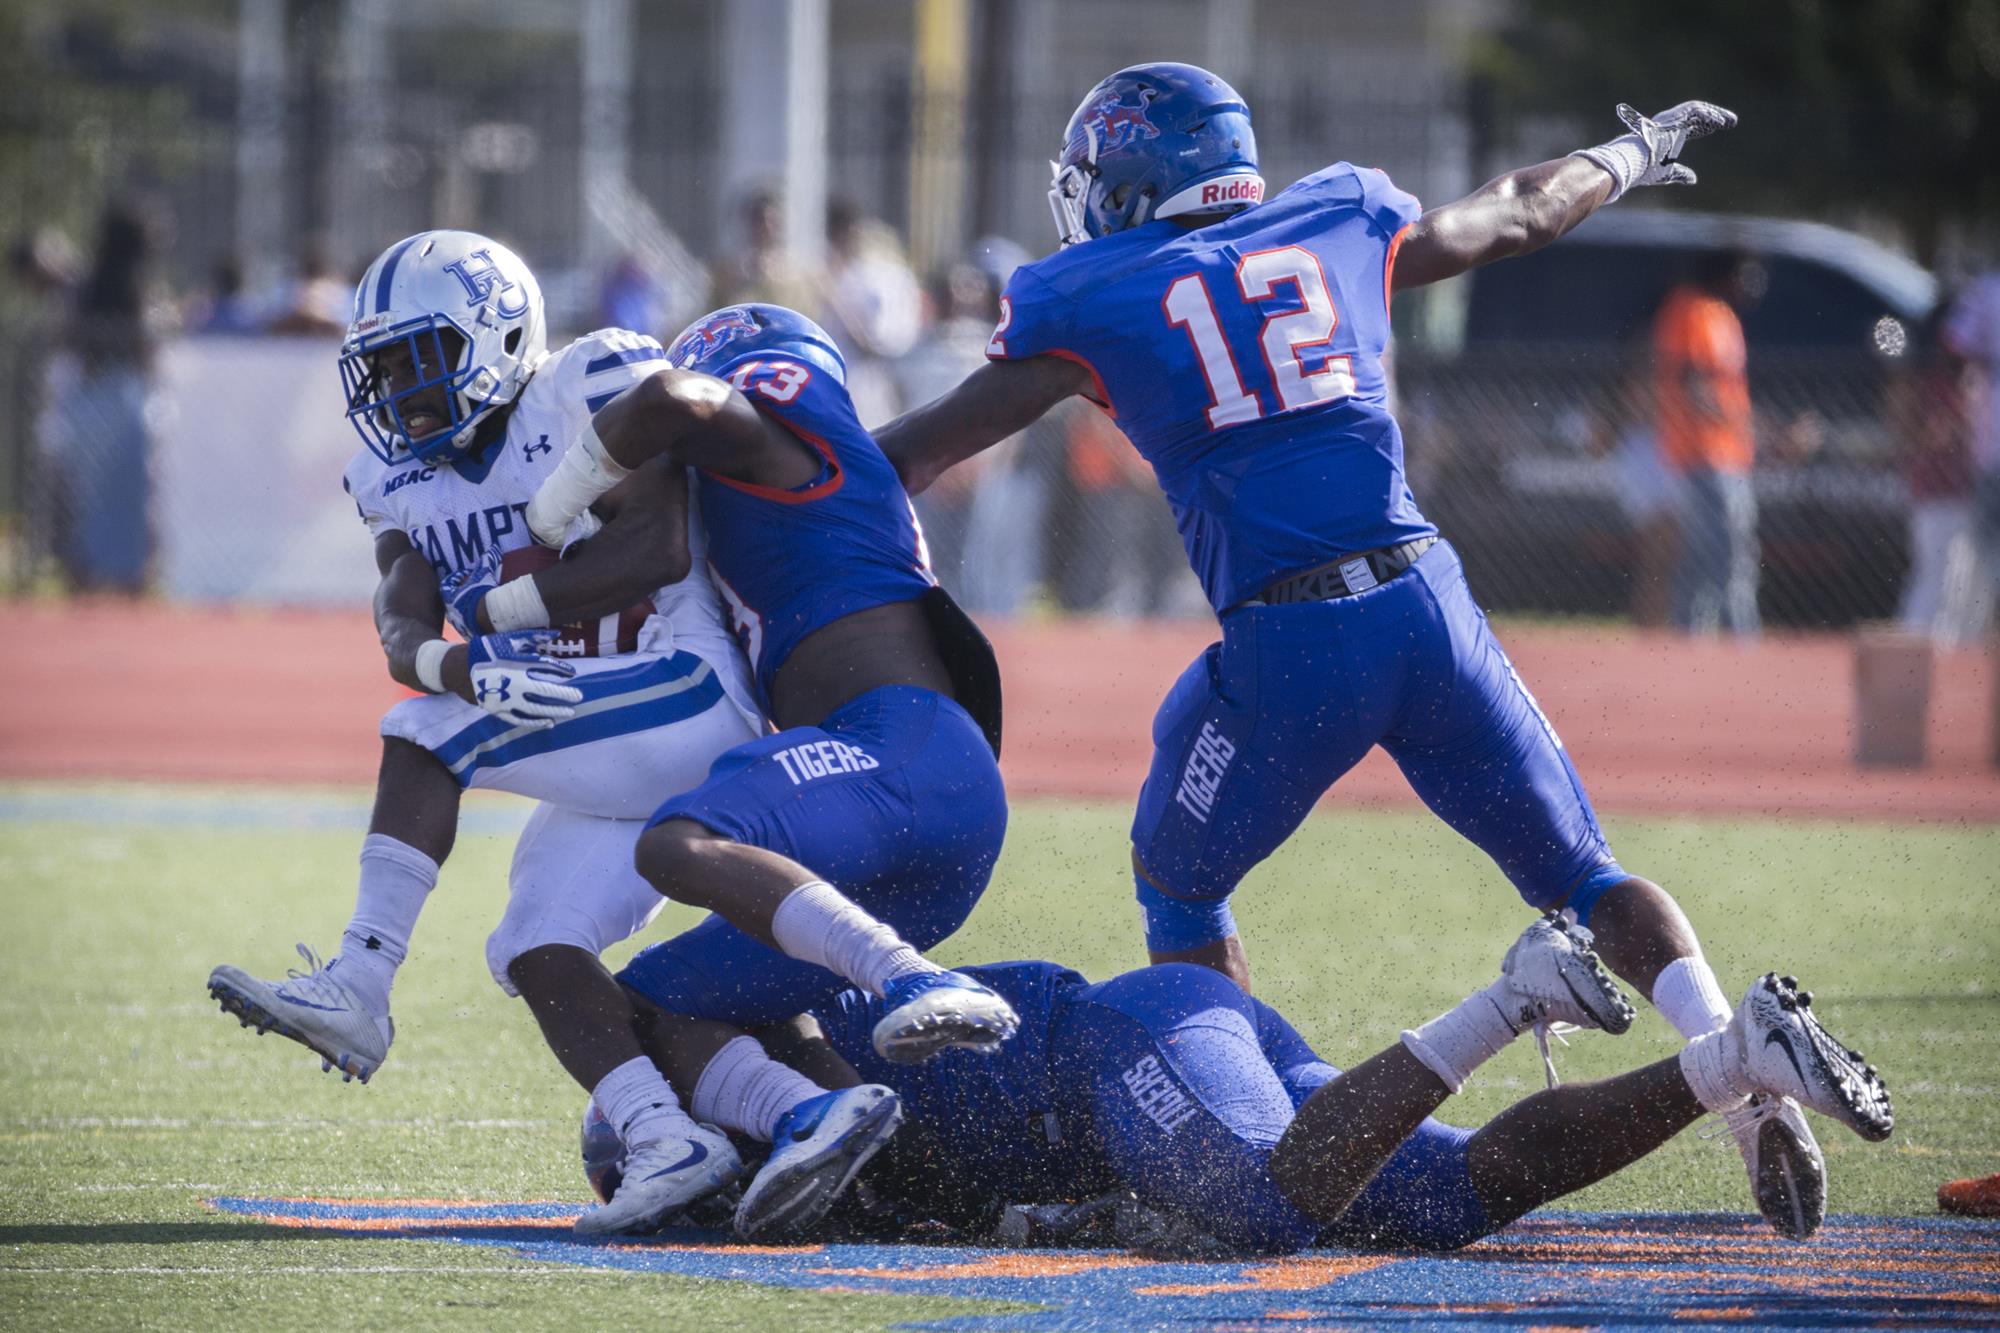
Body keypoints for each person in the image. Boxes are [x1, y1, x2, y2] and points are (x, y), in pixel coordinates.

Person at [873, 64, 1825, 1241]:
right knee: (1584, 872)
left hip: (1291, 636)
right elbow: (1516, 209)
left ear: (1128, 181)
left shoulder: (1089, 295)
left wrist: (739, 495)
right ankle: (1739, 1076)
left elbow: (906, 454)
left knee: (1179, 877)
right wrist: (1621, 158)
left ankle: (1263, 1143)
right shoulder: (1340, 218)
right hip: (1427, 598)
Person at [204, 231, 906, 1239]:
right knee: (532, 942)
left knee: (425, 732)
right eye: (385, 366)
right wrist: (445, 658)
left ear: (496, 334)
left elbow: (656, 546)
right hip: (599, 735)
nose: (400, 390)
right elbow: (403, 609)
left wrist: (486, 625)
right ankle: (678, 1133)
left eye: (421, 356)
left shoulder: (585, 385)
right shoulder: (400, 474)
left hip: (687, 698)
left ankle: (361, 977)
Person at [522, 302, 1017, 1212]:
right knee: (658, 1002)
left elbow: (675, 398)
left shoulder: (773, 430)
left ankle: (917, 978)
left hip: (898, 743)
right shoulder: (816, 475)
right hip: (911, 805)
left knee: (678, 841)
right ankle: (862, 1158)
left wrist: (554, 503)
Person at [595, 917, 1891, 1253]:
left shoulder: (783, 1062)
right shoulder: (787, 1071)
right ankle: (1738, 1059)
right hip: (1166, 1046)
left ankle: (1516, 994)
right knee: (1435, 1206)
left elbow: (701, 1013)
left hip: (1117, 1050)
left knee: (1273, 1209)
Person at [1653, 250, 1762, 637]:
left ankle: (1717, 639)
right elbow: (1693, 382)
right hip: (1703, 455)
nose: (1751, 284)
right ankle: (1734, 642)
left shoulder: (1722, 314)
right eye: (1743, 274)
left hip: (1727, 455)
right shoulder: (1693, 310)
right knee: (1722, 557)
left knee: (1725, 556)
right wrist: (1742, 425)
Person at [1942, 268, 2000, 639]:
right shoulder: (1989, 289)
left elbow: (1955, 342)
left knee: (1983, 548)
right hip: (1992, 441)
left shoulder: (1989, 289)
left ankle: (1973, 635)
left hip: (1993, 439)